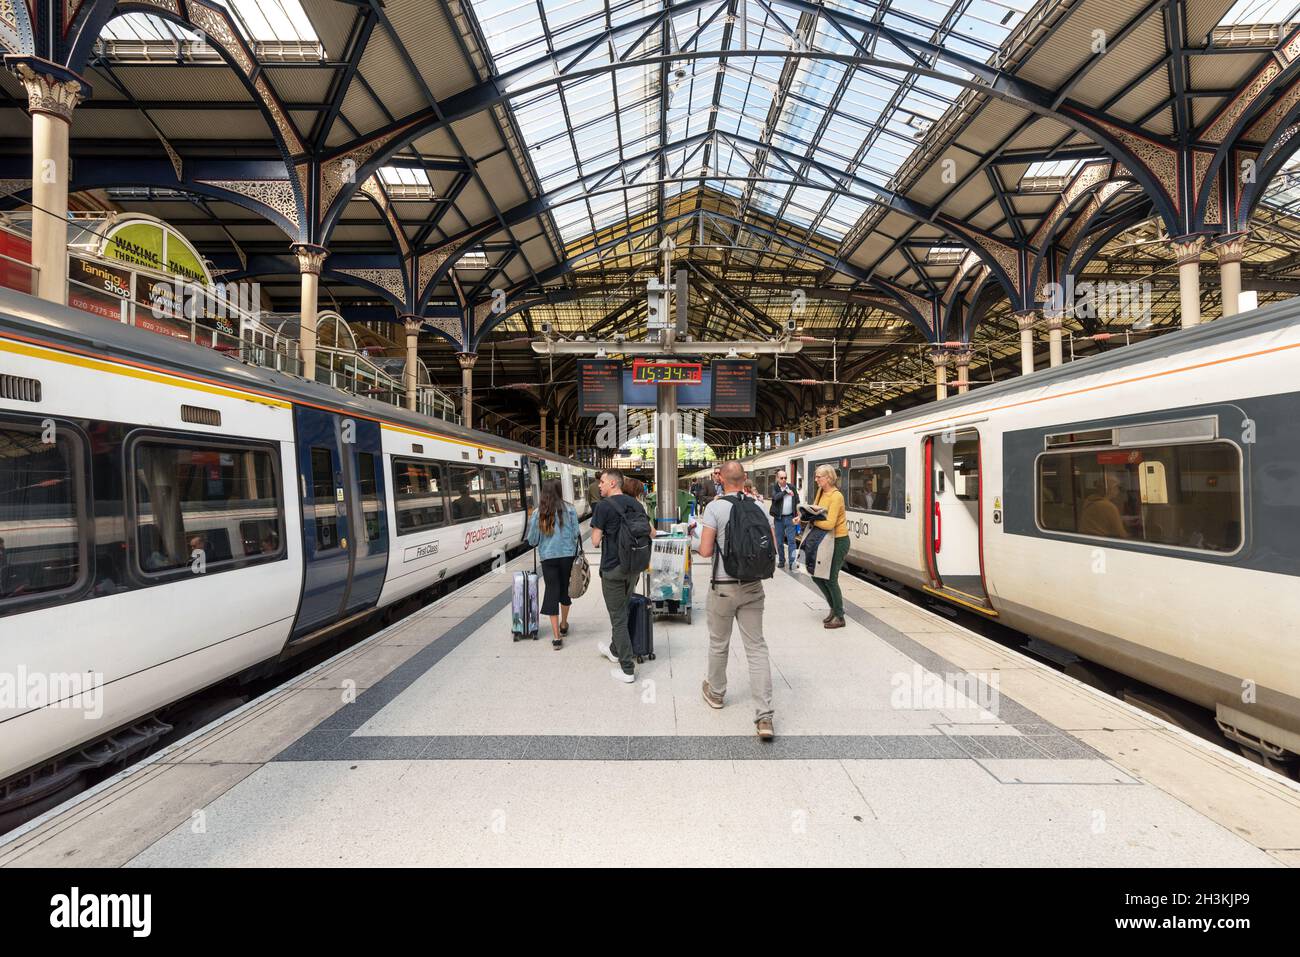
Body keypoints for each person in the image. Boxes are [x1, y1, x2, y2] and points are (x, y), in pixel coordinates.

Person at [697, 461, 775, 740]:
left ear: (721, 479)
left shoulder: (715, 508)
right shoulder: (759, 507)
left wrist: (695, 539)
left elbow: (705, 550)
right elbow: (772, 548)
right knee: (757, 649)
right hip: (753, 587)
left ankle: (716, 693)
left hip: (723, 587)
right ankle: (764, 717)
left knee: (719, 644)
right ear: (744, 480)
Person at [589, 468, 640, 684]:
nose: (599, 486)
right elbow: (652, 531)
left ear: (612, 484)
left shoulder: (603, 507)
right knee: (622, 611)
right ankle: (613, 649)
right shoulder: (635, 504)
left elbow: (594, 540)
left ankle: (627, 668)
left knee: (618, 618)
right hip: (634, 568)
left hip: (613, 569)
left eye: (602, 482)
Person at [527, 478, 581, 650]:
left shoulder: (538, 513)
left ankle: (556, 637)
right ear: (560, 490)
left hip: (548, 558)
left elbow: (532, 540)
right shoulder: (570, 509)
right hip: (567, 556)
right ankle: (564, 624)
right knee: (565, 590)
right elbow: (576, 534)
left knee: (552, 591)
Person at [803, 464, 849, 629]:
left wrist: (812, 519)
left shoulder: (837, 496)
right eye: (816, 477)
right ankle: (834, 609)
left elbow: (829, 523)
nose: (816, 480)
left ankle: (839, 616)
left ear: (828, 478)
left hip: (838, 540)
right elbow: (816, 511)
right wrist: (804, 515)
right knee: (816, 575)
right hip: (823, 539)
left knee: (830, 578)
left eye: (818, 477)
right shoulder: (821, 492)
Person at [1080, 473, 1128, 539]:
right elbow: (1121, 534)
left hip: (1087, 539)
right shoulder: (1108, 506)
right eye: (1117, 487)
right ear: (1111, 488)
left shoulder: (1090, 500)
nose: (1118, 490)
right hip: (1101, 542)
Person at [769, 469, 800, 570]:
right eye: (781, 478)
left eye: (785, 478)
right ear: (777, 478)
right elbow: (775, 497)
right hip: (779, 519)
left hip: (790, 517)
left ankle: (792, 562)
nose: (784, 480)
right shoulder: (775, 487)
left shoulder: (791, 487)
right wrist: (785, 492)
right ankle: (782, 560)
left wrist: (798, 514)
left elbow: (797, 501)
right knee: (779, 541)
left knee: (792, 541)